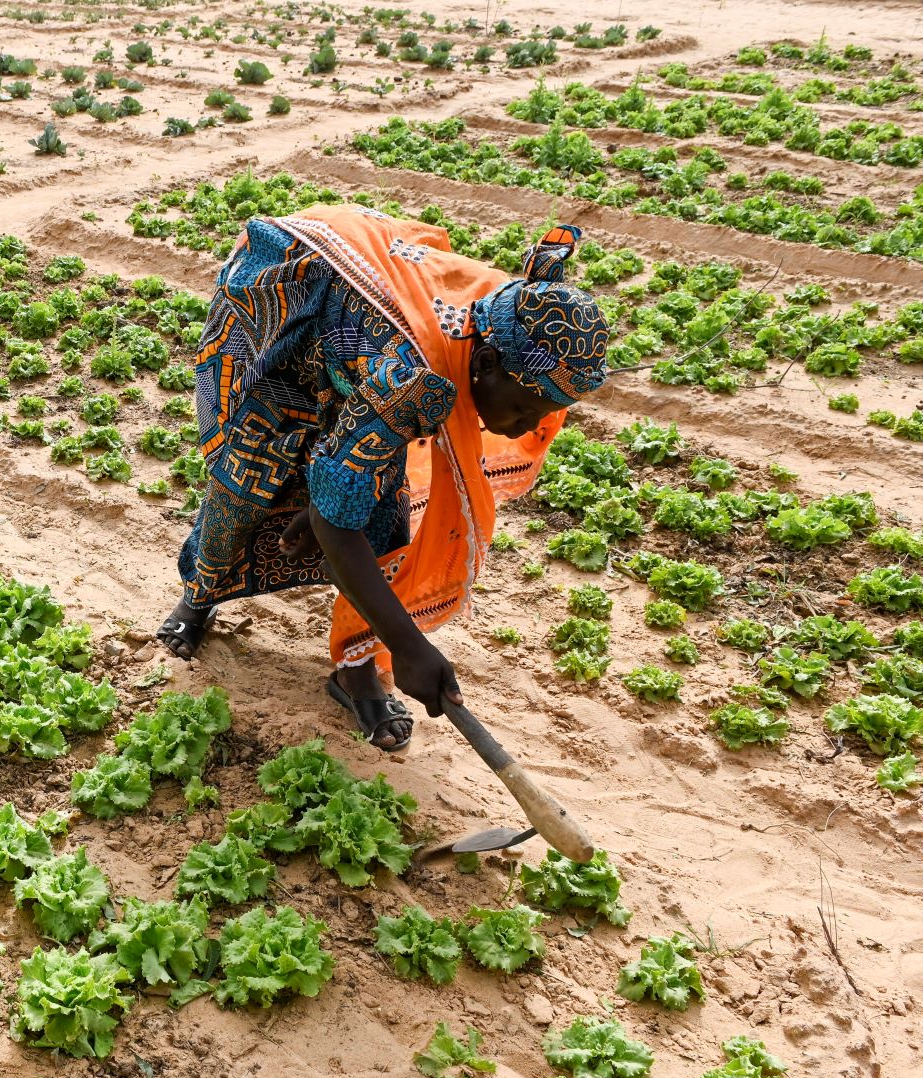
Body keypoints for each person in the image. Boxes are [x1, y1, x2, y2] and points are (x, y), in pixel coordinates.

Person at [155, 204, 609, 752]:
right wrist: (410, 647)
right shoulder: (412, 377)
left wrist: (329, 507)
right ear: (486, 363)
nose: (528, 428)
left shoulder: (513, 317)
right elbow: (337, 524)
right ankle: (200, 595)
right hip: (284, 307)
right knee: (250, 473)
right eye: (525, 408)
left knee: (378, 502)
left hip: (360, 341)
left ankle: (357, 667)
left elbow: (352, 490)